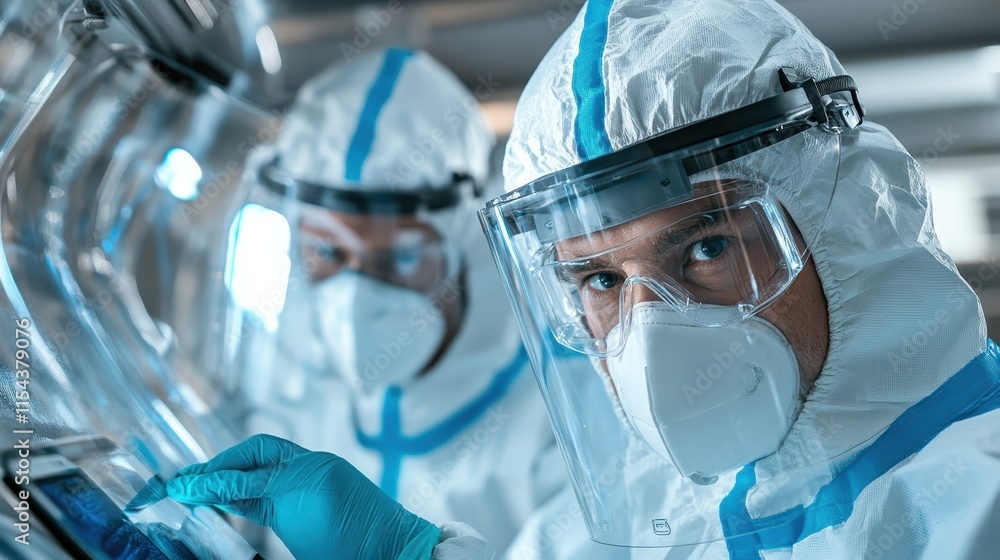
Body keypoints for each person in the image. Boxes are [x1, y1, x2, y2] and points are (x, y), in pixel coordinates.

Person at [161, 1, 1000, 558]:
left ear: (845, 220)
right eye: (598, 279)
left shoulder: (976, 502)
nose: (650, 335)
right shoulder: (654, 506)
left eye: (705, 251)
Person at [204, 46, 567, 557]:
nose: (354, 299)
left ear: (460, 244)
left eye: (399, 257)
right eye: (327, 250)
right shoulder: (285, 375)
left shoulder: (560, 402)